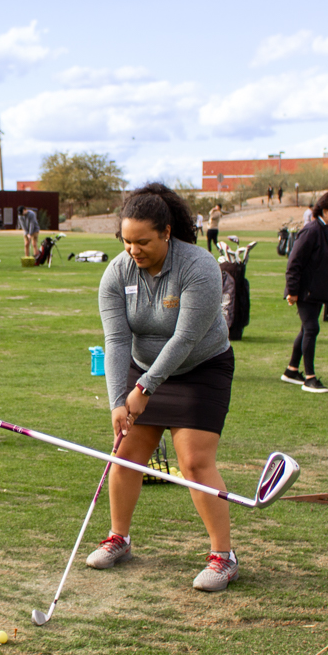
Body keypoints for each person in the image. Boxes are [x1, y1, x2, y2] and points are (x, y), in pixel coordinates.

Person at [86, 183, 243, 591]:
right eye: (126, 241)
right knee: (125, 454)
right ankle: (118, 537)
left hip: (200, 369)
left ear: (167, 233)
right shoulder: (117, 272)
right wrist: (118, 400)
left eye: (143, 241)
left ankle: (223, 557)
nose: (133, 250)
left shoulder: (200, 267)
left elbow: (185, 339)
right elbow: (117, 341)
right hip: (142, 369)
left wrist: (145, 388)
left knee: (193, 461)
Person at [282, 191, 328, 394]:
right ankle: (309, 378)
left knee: (306, 329)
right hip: (306, 291)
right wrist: (292, 291)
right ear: (325, 211)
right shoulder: (312, 230)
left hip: (318, 291)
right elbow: (294, 263)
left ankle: (292, 370)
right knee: (311, 329)